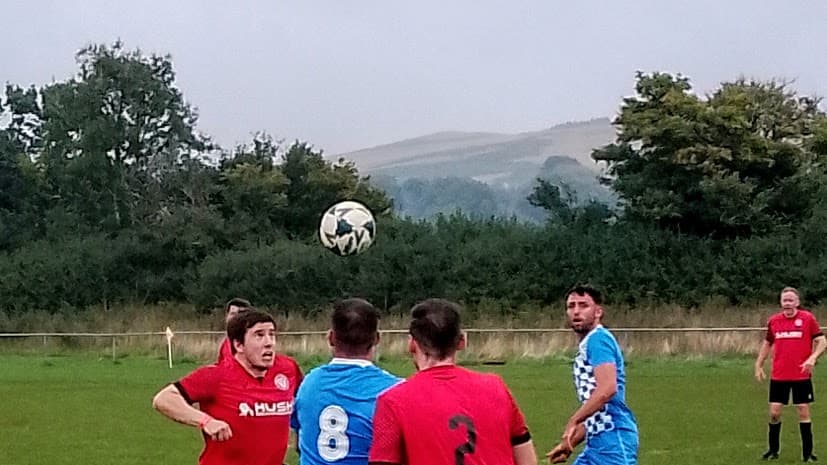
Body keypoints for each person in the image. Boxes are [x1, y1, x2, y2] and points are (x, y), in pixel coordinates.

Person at [368, 298, 537, 465]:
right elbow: (526, 459)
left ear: (412, 344)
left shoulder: (392, 401)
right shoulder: (496, 388)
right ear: (461, 342)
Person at [152, 308, 303, 465]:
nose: (269, 343)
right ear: (238, 345)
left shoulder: (288, 368)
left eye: (271, 334)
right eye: (259, 335)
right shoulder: (217, 376)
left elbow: (305, 405)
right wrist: (205, 421)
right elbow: (164, 399)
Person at [292, 298, 401, 465]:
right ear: (377, 339)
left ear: (331, 338)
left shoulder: (309, 384)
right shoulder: (394, 390)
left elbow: (299, 438)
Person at [547, 285, 638, 465]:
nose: (576, 311)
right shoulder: (589, 343)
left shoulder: (598, 340)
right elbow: (597, 412)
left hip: (613, 440)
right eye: (571, 306)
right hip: (597, 443)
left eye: (583, 305)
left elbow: (607, 388)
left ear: (598, 312)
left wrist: (573, 421)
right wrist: (570, 443)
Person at [755, 287, 826, 462]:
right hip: (779, 375)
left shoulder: (807, 319)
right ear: (781, 302)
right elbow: (767, 343)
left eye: (790, 300)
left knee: (803, 411)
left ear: (797, 302)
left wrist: (813, 358)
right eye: (784, 300)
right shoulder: (774, 321)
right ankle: (773, 450)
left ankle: (808, 453)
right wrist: (758, 364)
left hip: (801, 375)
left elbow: (822, 341)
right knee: (774, 413)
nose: (787, 303)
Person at [217, 297, 252, 362]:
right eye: (233, 314)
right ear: (226, 316)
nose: (236, 317)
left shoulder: (252, 343)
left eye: (240, 314)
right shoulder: (225, 343)